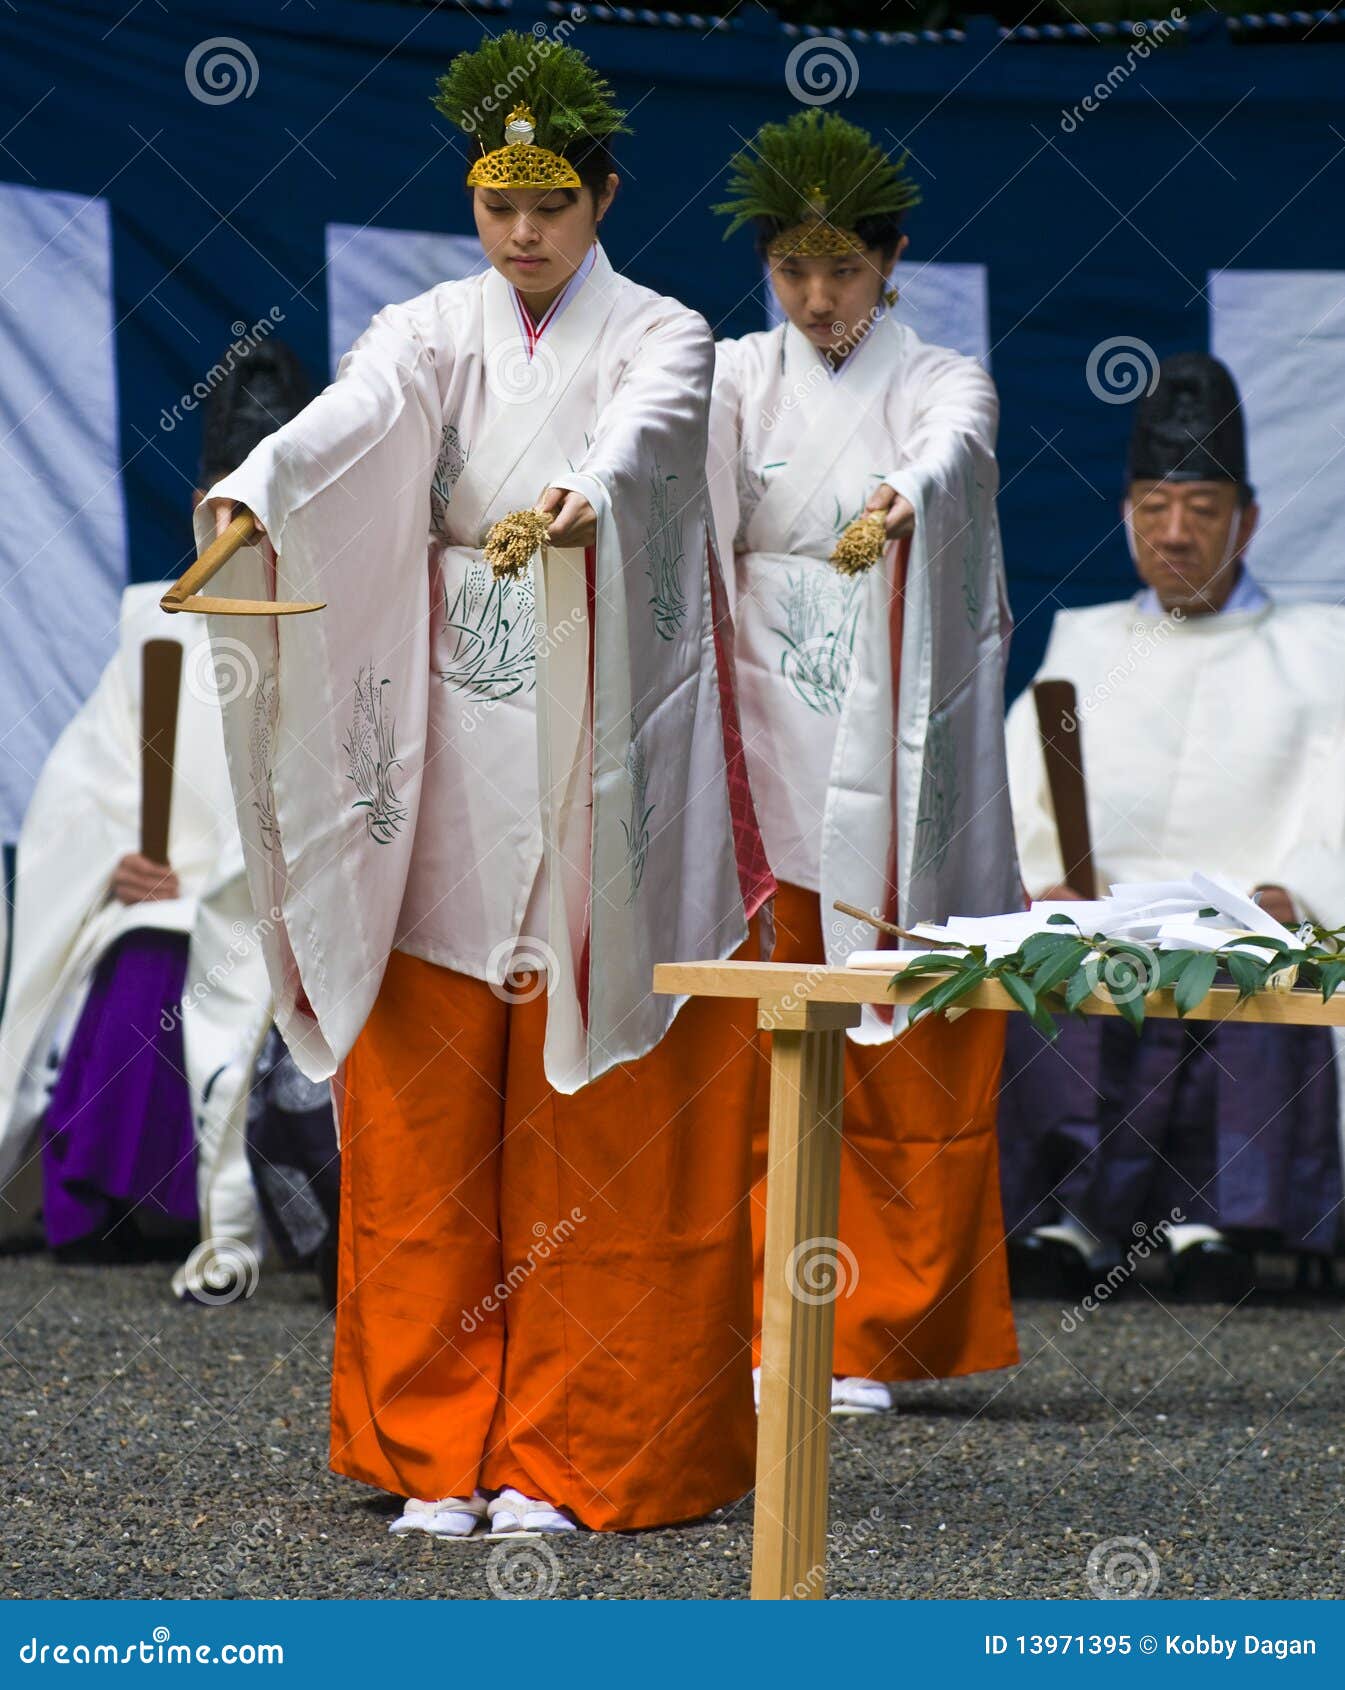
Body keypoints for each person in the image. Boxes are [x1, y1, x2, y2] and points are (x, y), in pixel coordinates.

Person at [194, 35, 774, 1538]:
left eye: (552, 205)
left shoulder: (668, 328)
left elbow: (654, 432)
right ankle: (434, 1440)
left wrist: (597, 491)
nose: (522, 234)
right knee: (430, 1117)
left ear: (601, 198)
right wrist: (263, 482)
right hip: (448, 737)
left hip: (598, 730)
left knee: (599, 1131)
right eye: (499, 205)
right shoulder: (430, 324)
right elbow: (360, 417)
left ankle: (579, 1442)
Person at [707, 111, 1021, 1414]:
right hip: (761, 719)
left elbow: (955, 448)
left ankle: (877, 1327)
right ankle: (750, 1312)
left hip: (890, 730)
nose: (822, 296)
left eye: (846, 268)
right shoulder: (729, 375)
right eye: (796, 269)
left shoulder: (941, 377)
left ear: (895, 260)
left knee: (897, 1029)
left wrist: (904, 498)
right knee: (762, 1033)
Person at [999, 352, 1345, 1297]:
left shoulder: (1321, 649)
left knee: (1259, 957)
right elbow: (1021, 789)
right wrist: (1053, 884)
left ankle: (1225, 1220)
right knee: (1048, 950)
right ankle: (1061, 1216)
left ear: (1248, 519)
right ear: (1126, 517)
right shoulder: (1084, 639)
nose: (1175, 535)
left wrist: (1295, 888)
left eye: (1200, 510)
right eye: (1153, 508)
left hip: (1249, 917)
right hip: (1109, 916)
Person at [0, 340, 332, 1300]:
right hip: (171, 886)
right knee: (147, 956)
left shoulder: (339, 611)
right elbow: (88, 779)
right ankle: (123, 1204)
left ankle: (262, 1211)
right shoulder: (155, 618)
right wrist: (116, 857)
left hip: (288, 896)